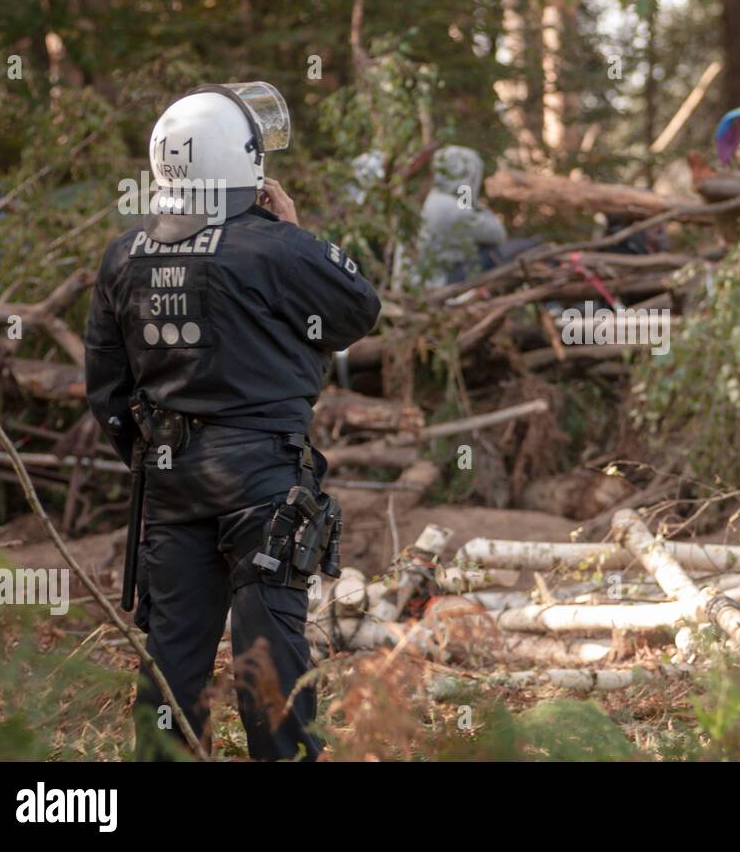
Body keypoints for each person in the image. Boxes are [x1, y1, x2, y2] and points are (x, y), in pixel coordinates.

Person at [84, 83, 381, 761]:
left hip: (170, 483)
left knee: (172, 667)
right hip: (263, 481)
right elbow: (357, 310)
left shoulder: (123, 254)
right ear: (240, 160)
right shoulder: (275, 248)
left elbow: (106, 390)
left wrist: (157, 451)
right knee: (271, 663)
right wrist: (294, 229)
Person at [418, 145, 536, 286]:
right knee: (526, 246)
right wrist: (469, 197)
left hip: (437, 277)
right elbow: (497, 234)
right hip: (446, 279)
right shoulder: (451, 208)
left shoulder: (436, 198)